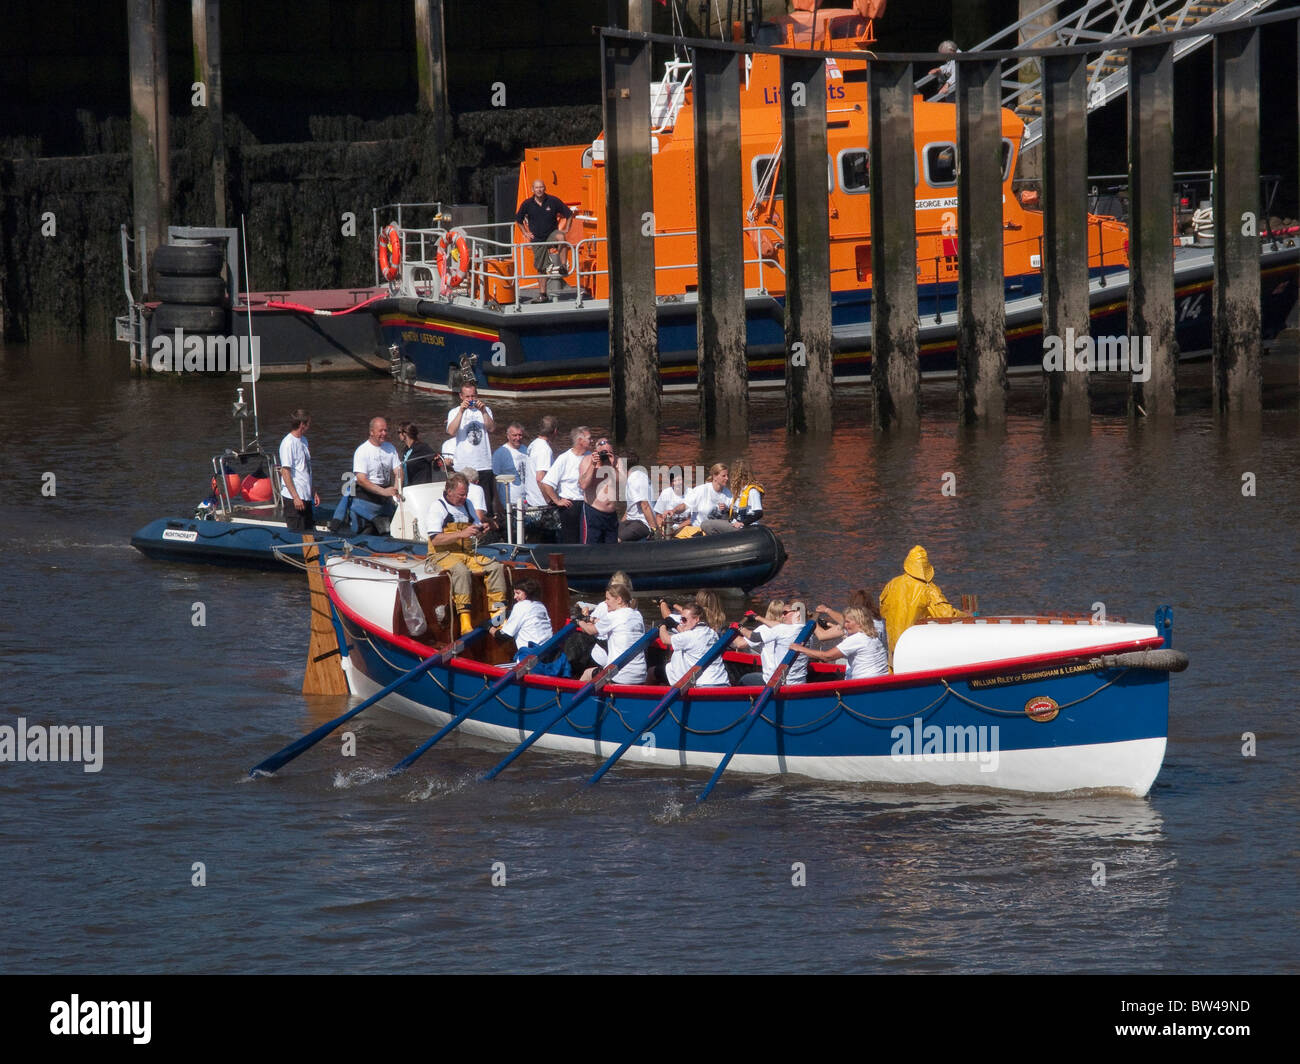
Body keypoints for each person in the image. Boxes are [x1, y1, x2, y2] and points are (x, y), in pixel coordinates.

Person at [422, 472, 508, 634]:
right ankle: (465, 620)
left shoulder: (468, 504)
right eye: (461, 495)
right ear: (449, 491)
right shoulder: (438, 507)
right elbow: (435, 540)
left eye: (466, 494)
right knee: (461, 571)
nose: (464, 498)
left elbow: (475, 529)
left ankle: (498, 615)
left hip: (467, 553)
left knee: (496, 567)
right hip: (442, 554)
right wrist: (461, 534)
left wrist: (482, 530)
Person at [878, 545, 964, 663]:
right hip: (914, 647)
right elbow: (947, 615)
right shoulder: (928, 589)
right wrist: (965, 615)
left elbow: (883, 611)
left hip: (894, 647)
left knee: (895, 670)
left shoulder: (892, 584)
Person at [329, 416, 403, 533]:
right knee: (365, 531)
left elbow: (398, 470)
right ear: (371, 432)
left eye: (386, 430)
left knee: (388, 531)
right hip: (365, 500)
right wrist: (384, 492)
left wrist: (396, 488)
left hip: (384, 501)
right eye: (380, 431)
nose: (384, 433)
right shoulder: (362, 451)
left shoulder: (391, 448)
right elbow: (361, 479)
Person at [446, 381, 497, 522]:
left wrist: (484, 411)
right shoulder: (454, 412)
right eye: (467, 396)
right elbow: (451, 431)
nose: (471, 400)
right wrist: (462, 411)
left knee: (486, 503)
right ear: (461, 396)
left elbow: (492, 428)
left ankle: (488, 533)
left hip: (484, 464)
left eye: (473, 396)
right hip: (463, 467)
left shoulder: (486, 410)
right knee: (463, 501)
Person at [516, 178, 573, 303]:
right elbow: (518, 219)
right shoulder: (527, 204)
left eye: (541, 187)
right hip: (537, 238)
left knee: (561, 238)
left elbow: (569, 214)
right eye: (536, 187)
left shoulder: (553, 201)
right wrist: (525, 232)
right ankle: (543, 294)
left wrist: (567, 228)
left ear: (545, 188)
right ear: (532, 189)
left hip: (551, 234)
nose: (539, 190)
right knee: (541, 267)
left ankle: (563, 266)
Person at [577, 581, 647, 684]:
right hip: (640, 675)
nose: (605, 602)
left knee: (587, 673)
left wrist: (579, 621)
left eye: (608, 599)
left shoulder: (613, 616)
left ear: (619, 600)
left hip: (619, 676)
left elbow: (590, 630)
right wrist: (592, 619)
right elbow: (614, 624)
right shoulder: (637, 615)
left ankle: (573, 697)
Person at [792, 607, 889, 680]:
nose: (844, 625)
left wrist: (800, 649)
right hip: (878, 680)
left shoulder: (857, 639)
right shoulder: (872, 635)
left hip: (863, 685)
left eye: (847, 622)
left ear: (859, 623)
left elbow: (827, 657)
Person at [735, 600, 809, 687]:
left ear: (796, 613)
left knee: (744, 679)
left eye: (785, 613)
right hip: (800, 683)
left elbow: (743, 642)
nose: (783, 616)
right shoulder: (807, 631)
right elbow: (778, 626)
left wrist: (737, 628)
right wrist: (757, 617)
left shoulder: (778, 629)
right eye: (782, 613)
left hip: (776, 683)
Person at [541, 425, 591, 542]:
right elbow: (547, 483)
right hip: (571, 505)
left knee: (586, 538)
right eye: (589, 438)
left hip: (588, 504)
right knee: (571, 539)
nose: (591, 441)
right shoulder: (565, 458)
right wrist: (557, 500)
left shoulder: (590, 457)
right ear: (580, 440)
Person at [660, 603, 729, 687]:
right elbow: (691, 638)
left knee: (653, 672)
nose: (681, 622)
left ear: (696, 619)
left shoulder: (690, 636)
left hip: (704, 685)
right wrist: (676, 625)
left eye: (684, 620)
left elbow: (665, 639)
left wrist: (661, 625)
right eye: (680, 619)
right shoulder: (712, 633)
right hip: (723, 682)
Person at [278, 408, 319, 531]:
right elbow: (285, 472)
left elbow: (306, 468)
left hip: (305, 495)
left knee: (309, 532)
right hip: (294, 498)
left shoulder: (304, 441)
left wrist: (313, 491)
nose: (309, 426)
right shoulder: (288, 443)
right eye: (308, 424)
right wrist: (295, 497)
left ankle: (311, 550)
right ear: (302, 424)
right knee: (297, 533)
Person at [577, 432, 621, 544]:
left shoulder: (617, 461)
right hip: (593, 512)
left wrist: (611, 466)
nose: (605, 456)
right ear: (596, 451)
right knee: (590, 549)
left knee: (611, 550)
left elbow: (622, 483)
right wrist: (593, 465)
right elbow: (583, 485)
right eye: (603, 453)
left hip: (611, 515)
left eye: (608, 453)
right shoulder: (587, 460)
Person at [682, 462, 736, 534]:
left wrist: (726, 509)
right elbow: (684, 505)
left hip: (718, 531)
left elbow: (733, 514)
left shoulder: (728, 493)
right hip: (699, 531)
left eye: (727, 475)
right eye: (724, 476)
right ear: (715, 476)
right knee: (706, 524)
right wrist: (673, 510)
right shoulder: (701, 490)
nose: (727, 478)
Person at [618, 449, 657, 542]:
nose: (616, 467)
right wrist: (620, 524)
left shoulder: (635, 478)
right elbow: (630, 510)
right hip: (631, 521)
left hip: (642, 523)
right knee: (609, 534)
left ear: (624, 466)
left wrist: (654, 530)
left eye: (618, 465)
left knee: (616, 540)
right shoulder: (632, 478)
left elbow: (645, 505)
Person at [492, 421, 529, 516]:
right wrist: (497, 502)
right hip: (509, 501)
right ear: (508, 436)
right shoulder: (500, 453)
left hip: (526, 499)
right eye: (514, 435)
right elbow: (494, 479)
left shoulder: (526, 449)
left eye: (520, 435)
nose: (518, 438)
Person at [525, 415, 556, 508]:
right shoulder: (544, 449)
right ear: (555, 431)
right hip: (541, 503)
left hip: (531, 499)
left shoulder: (533, 444)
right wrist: (550, 500)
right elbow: (540, 478)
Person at [727, 458, 764, 526]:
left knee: (708, 525)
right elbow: (735, 511)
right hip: (734, 524)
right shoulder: (738, 491)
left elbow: (759, 513)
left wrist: (743, 523)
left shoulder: (752, 491)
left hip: (747, 528)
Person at [653, 467, 689, 536]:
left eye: (679, 480)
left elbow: (692, 519)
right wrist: (661, 529)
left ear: (684, 479)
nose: (677, 483)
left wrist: (676, 528)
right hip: (668, 528)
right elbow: (658, 516)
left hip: (685, 528)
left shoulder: (691, 493)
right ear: (670, 482)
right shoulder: (665, 493)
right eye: (674, 481)